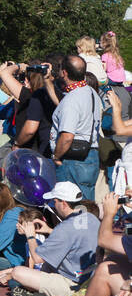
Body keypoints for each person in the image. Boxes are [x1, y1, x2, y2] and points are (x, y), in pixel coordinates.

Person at [0, 182, 98, 296]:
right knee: (46, 265)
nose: (53, 205)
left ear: (63, 203)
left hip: (72, 284)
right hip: (89, 277)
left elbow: (37, 259)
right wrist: (49, 230)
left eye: (54, 202)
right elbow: (73, 237)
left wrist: (30, 236)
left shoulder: (64, 228)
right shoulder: (90, 218)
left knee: (18, 273)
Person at [51, 54, 103, 202]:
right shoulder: (91, 92)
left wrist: (56, 156)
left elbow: (67, 137)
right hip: (91, 156)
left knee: (72, 208)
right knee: (86, 206)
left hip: (73, 160)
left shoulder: (72, 100)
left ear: (64, 73)